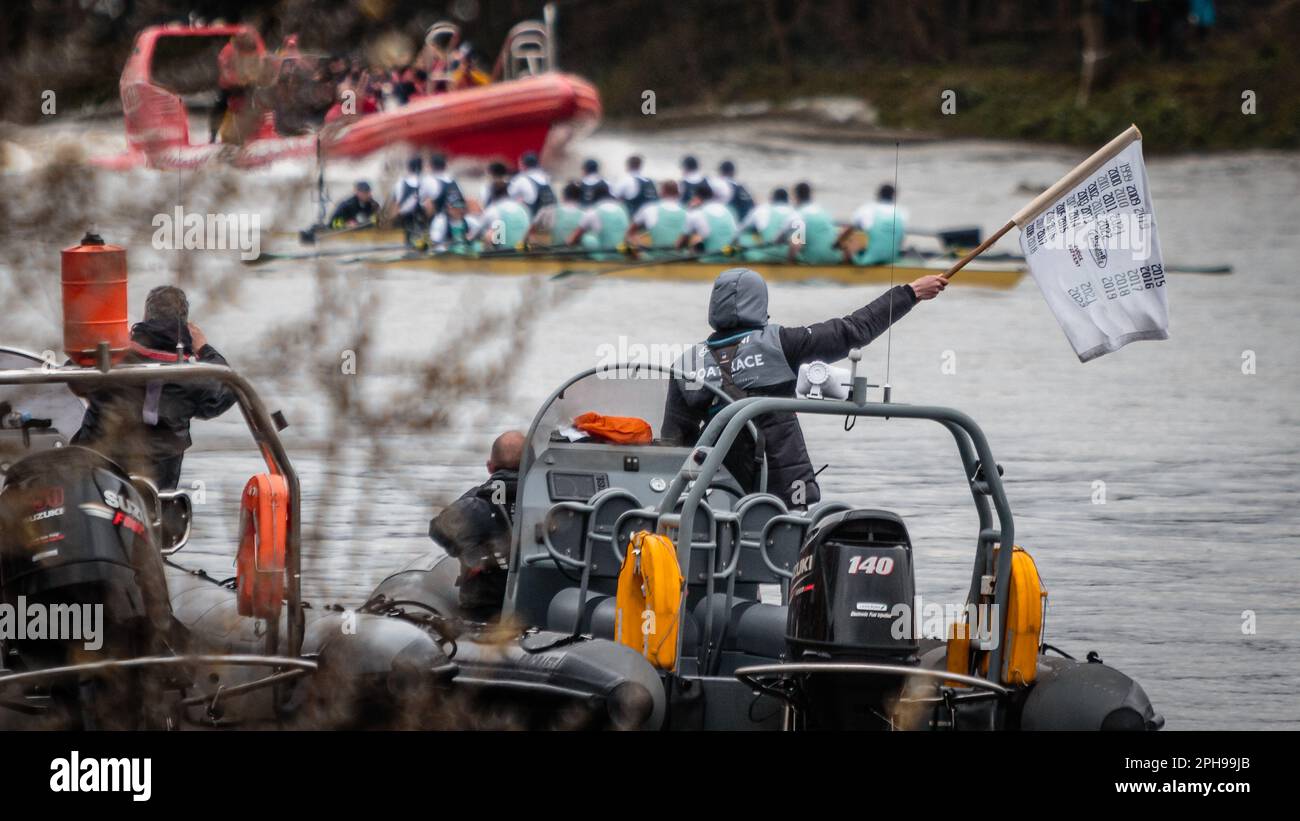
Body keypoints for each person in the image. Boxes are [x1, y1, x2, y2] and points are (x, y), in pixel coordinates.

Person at [661, 268, 947, 507]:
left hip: (713, 496)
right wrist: (910, 293)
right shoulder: (782, 343)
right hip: (783, 493)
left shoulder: (686, 363)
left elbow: (673, 444)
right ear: (760, 305)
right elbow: (854, 330)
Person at [72, 287, 238, 490]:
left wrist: (108, 345)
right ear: (185, 325)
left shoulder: (113, 362)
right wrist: (205, 349)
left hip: (96, 480)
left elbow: (73, 377)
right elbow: (226, 392)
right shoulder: (192, 378)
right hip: (158, 491)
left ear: (145, 316)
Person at [428, 430, 524, 618]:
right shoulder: (551, 501)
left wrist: (473, 555)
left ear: (490, 467)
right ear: (532, 464)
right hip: (542, 613)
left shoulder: (477, 503)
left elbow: (438, 527)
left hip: (485, 612)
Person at [839, 183, 909, 266]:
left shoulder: (867, 209)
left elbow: (849, 230)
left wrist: (837, 245)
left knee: (848, 234)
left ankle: (846, 262)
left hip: (869, 260)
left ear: (878, 194)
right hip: (893, 259)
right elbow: (901, 239)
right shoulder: (902, 212)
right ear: (894, 196)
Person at [568, 181, 629, 259]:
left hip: (606, 256)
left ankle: (598, 261)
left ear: (595, 196)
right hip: (623, 253)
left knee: (587, 238)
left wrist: (570, 243)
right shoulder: (622, 209)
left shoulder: (592, 211)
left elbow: (572, 239)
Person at [782, 182, 839, 264]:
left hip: (813, 261)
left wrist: (789, 262)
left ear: (795, 197)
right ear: (811, 195)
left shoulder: (798, 215)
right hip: (835, 258)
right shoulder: (824, 213)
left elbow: (796, 245)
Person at [678, 180, 738, 256]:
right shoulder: (729, 212)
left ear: (697, 197)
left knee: (694, 238)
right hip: (729, 258)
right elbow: (736, 238)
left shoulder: (696, 213)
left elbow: (679, 245)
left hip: (708, 260)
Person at [734, 187, 794, 261]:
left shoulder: (762, 209)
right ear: (788, 200)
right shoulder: (795, 212)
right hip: (791, 255)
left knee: (745, 236)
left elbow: (740, 229)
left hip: (767, 255)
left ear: (772, 199)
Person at [626, 180, 688, 250]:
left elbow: (629, 233)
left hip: (656, 256)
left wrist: (641, 247)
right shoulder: (689, 211)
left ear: (661, 193)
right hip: (682, 255)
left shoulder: (648, 208)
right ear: (678, 193)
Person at [470, 180, 531, 249]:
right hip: (522, 249)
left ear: (492, 195)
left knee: (487, 235)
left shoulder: (493, 210)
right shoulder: (522, 208)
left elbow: (475, 233)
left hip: (503, 252)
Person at [533, 181, 587, 248]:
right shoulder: (586, 214)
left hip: (555, 254)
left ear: (563, 196)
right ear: (580, 198)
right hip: (579, 256)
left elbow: (532, 228)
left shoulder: (549, 211)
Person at [389, 156, 427, 243]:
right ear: (422, 168)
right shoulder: (427, 181)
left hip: (405, 221)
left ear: (409, 168)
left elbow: (394, 206)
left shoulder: (400, 183)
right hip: (423, 220)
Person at [507, 152, 556, 217]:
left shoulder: (521, 179)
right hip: (549, 218)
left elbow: (508, 196)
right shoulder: (546, 177)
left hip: (531, 218)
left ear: (523, 165)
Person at [419, 153, 466, 221]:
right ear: (445, 166)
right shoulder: (453, 179)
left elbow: (420, 199)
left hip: (441, 218)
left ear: (431, 166)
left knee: (426, 202)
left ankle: (425, 225)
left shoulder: (428, 179)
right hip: (459, 216)